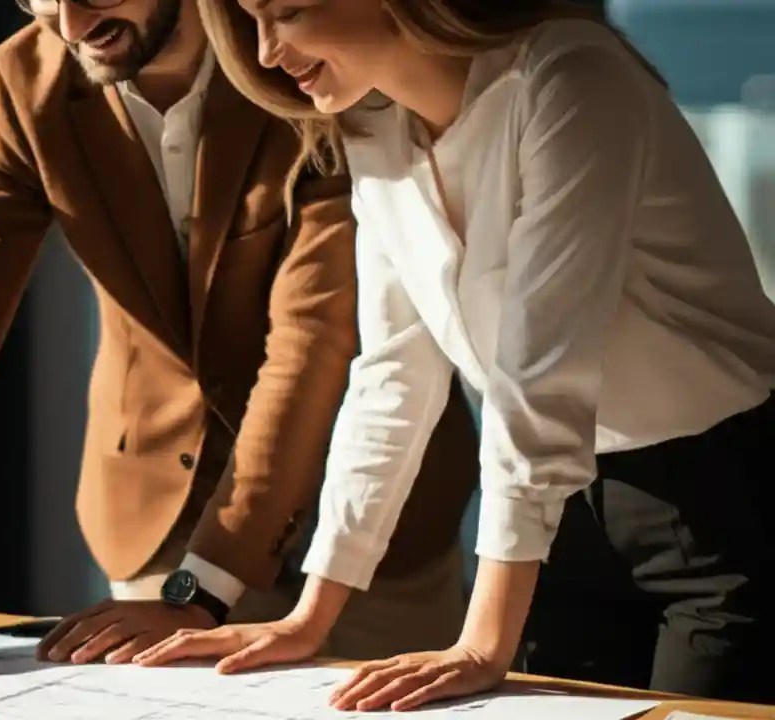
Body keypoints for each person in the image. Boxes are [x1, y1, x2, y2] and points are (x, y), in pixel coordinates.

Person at [0, 0, 481, 691]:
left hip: (371, 522)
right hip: (158, 515)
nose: (70, 24)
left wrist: (203, 587)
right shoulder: (22, 83)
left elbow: (317, 332)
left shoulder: (300, 50)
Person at [135, 0, 775, 709]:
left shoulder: (572, 78)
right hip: (556, 519)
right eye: (251, 20)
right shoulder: (375, 128)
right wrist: (310, 616)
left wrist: (482, 641)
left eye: (286, 11)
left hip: (722, 503)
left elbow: (541, 377)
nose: (265, 54)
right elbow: (390, 379)